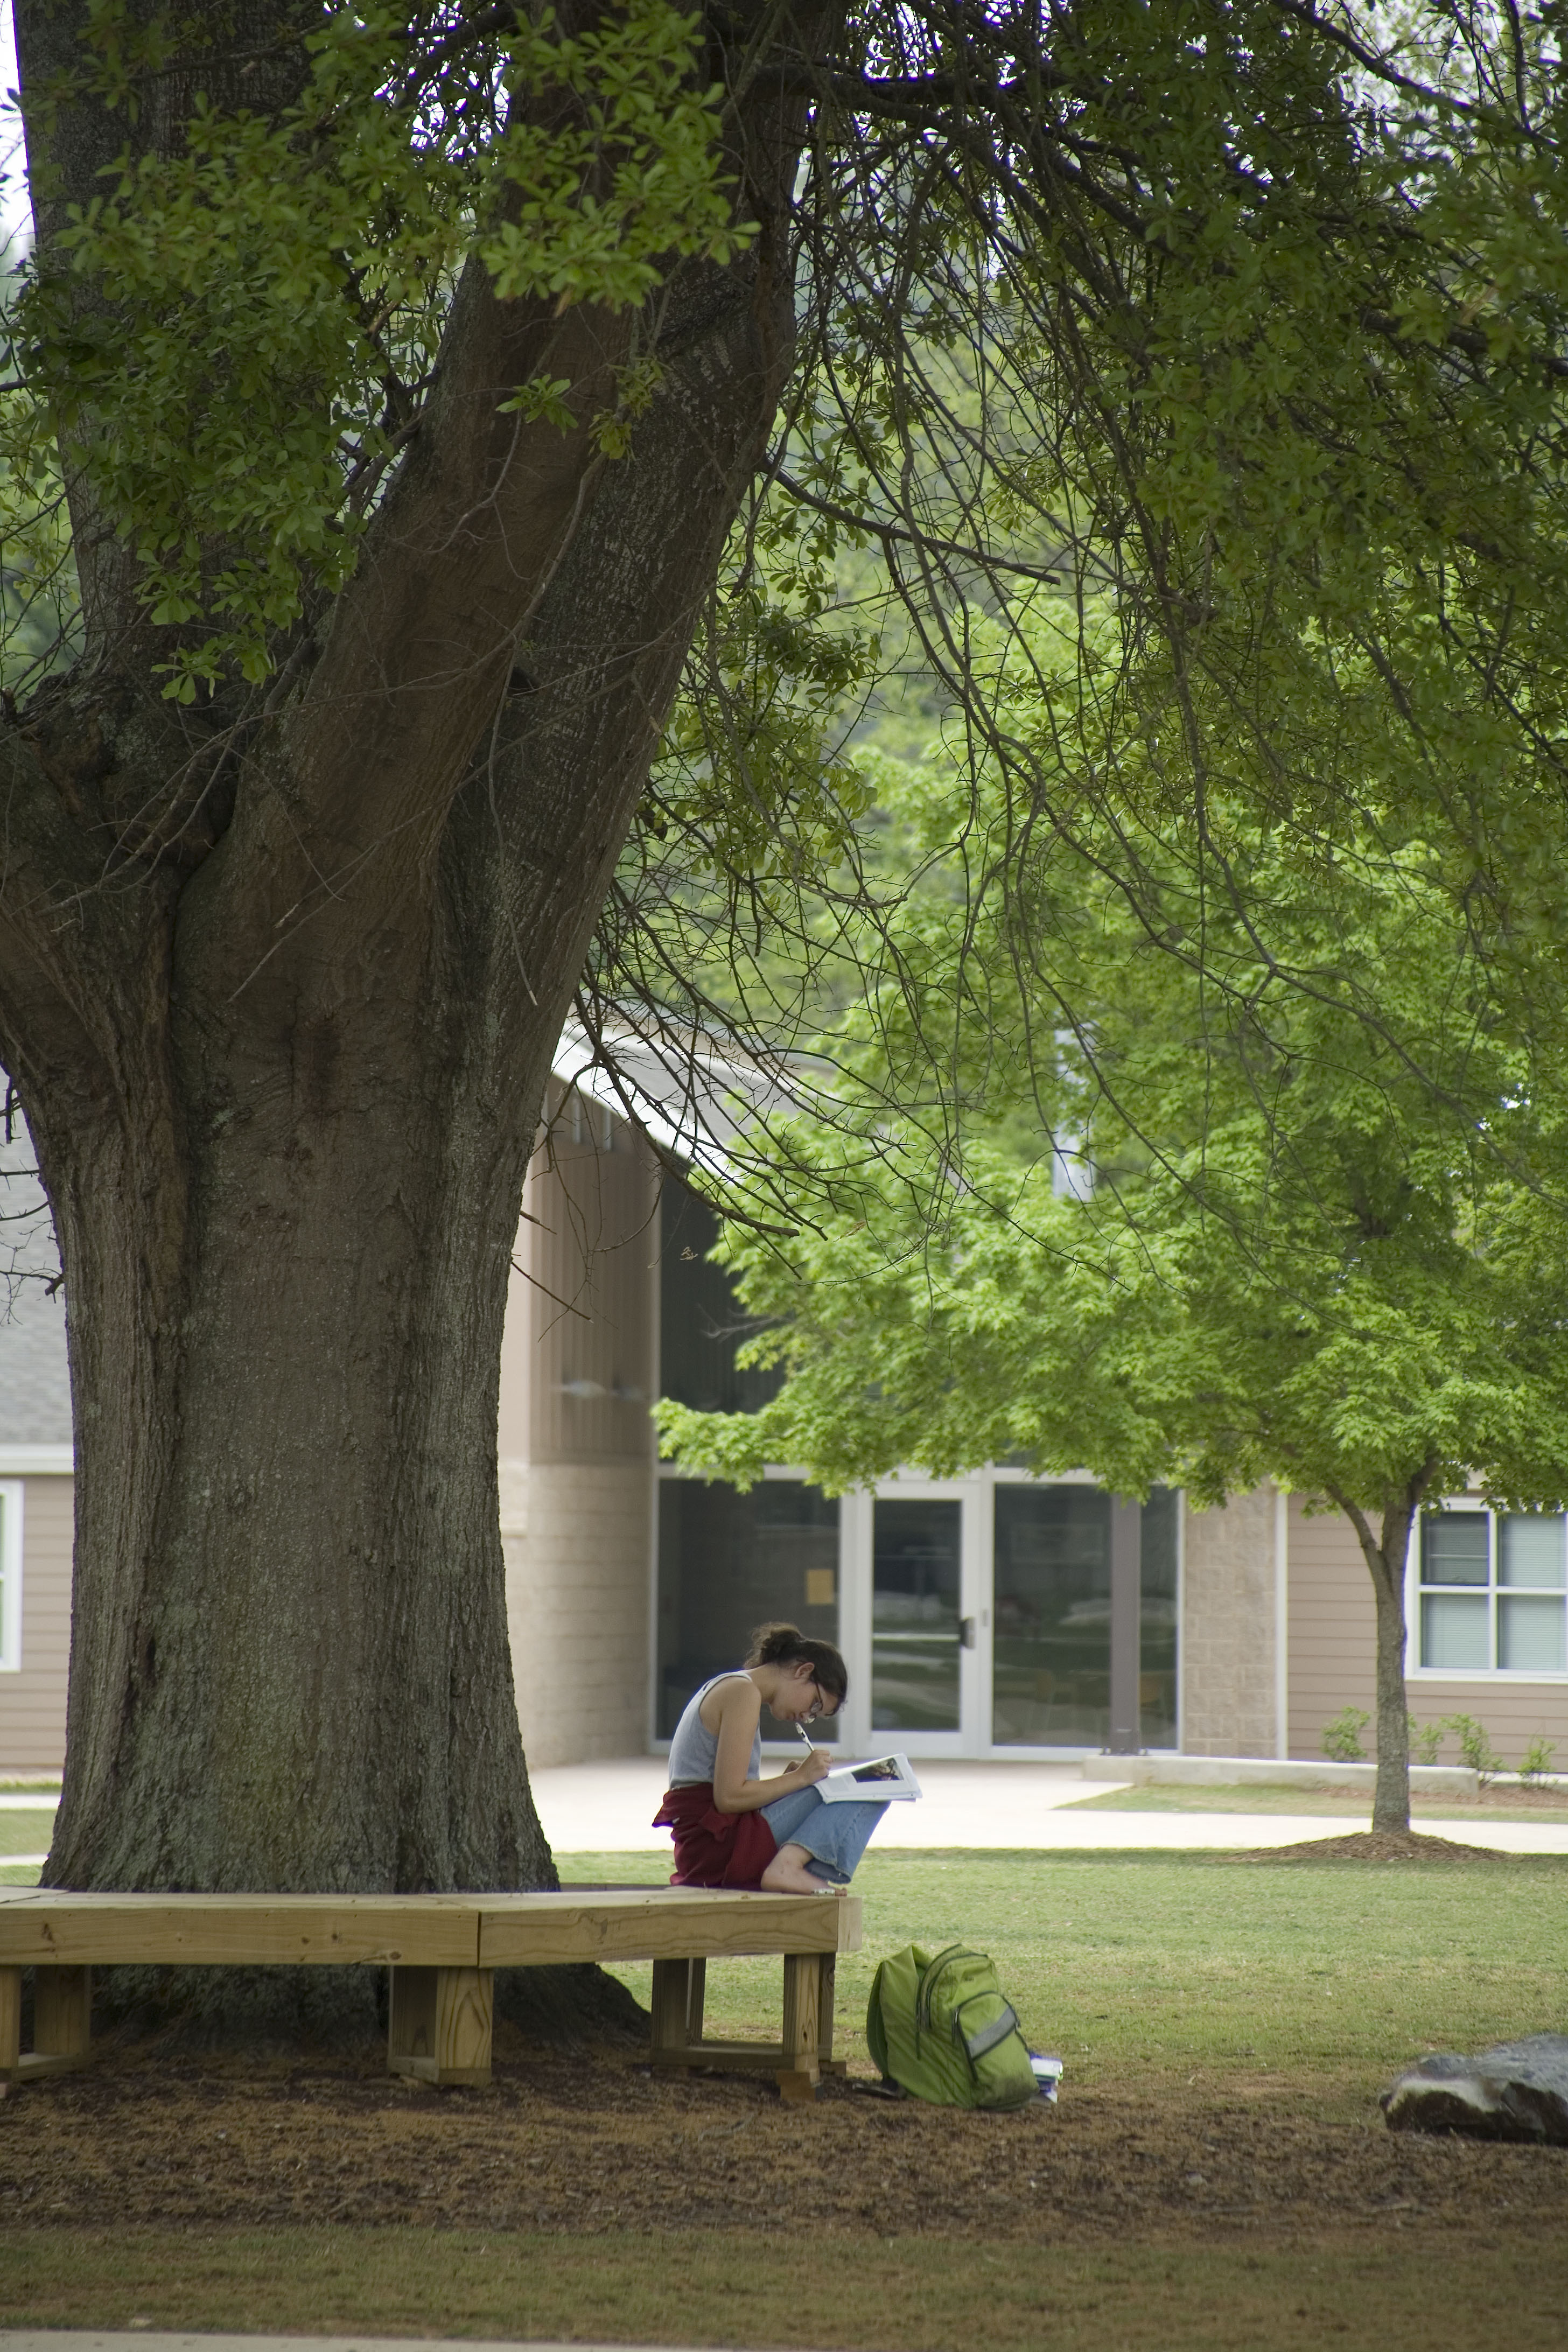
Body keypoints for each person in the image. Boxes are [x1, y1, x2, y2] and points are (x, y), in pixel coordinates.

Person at [654, 1622, 890, 1893]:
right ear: (804, 1671)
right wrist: (800, 1778)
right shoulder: (742, 1692)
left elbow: (728, 1793)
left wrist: (788, 1782)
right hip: (716, 1850)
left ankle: (788, 1867)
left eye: (814, 1715)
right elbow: (729, 1798)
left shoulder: (734, 1687)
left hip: (713, 1844)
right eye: (815, 1704)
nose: (806, 1717)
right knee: (876, 1786)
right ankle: (786, 1869)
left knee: (861, 1786)